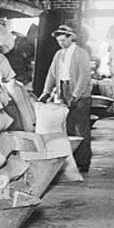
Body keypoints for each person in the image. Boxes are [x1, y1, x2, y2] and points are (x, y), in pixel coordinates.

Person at [40, 23, 92, 174]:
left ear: (71, 38)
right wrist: (46, 92)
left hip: (79, 93)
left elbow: (84, 76)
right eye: (59, 41)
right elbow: (52, 74)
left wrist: (75, 95)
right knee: (67, 128)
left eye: (64, 40)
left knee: (81, 128)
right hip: (63, 90)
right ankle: (72, 161)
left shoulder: (81, 54)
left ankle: (84, 161)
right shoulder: (59, 54)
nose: (61, 43)